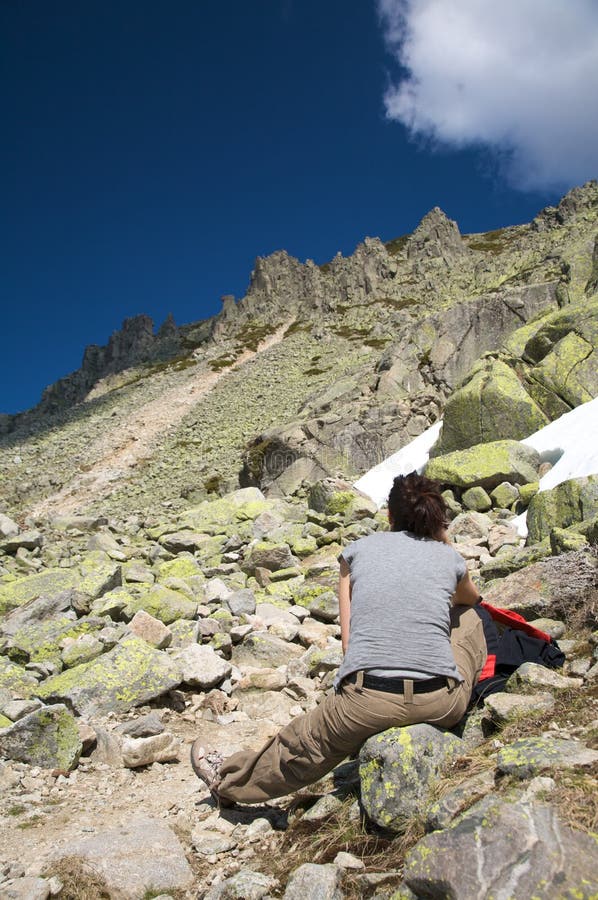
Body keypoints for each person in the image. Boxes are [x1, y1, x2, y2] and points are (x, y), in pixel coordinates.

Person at [191, 472, 488, 807]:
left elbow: (349, 646)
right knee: (470, 617)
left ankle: (227, 780)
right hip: (441, 703)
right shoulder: (449, 558)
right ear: (437, 520)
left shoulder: (356, 552)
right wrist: (442, 541)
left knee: (301, 743)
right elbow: (471, 600)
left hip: (367, 701)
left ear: (389, 515)